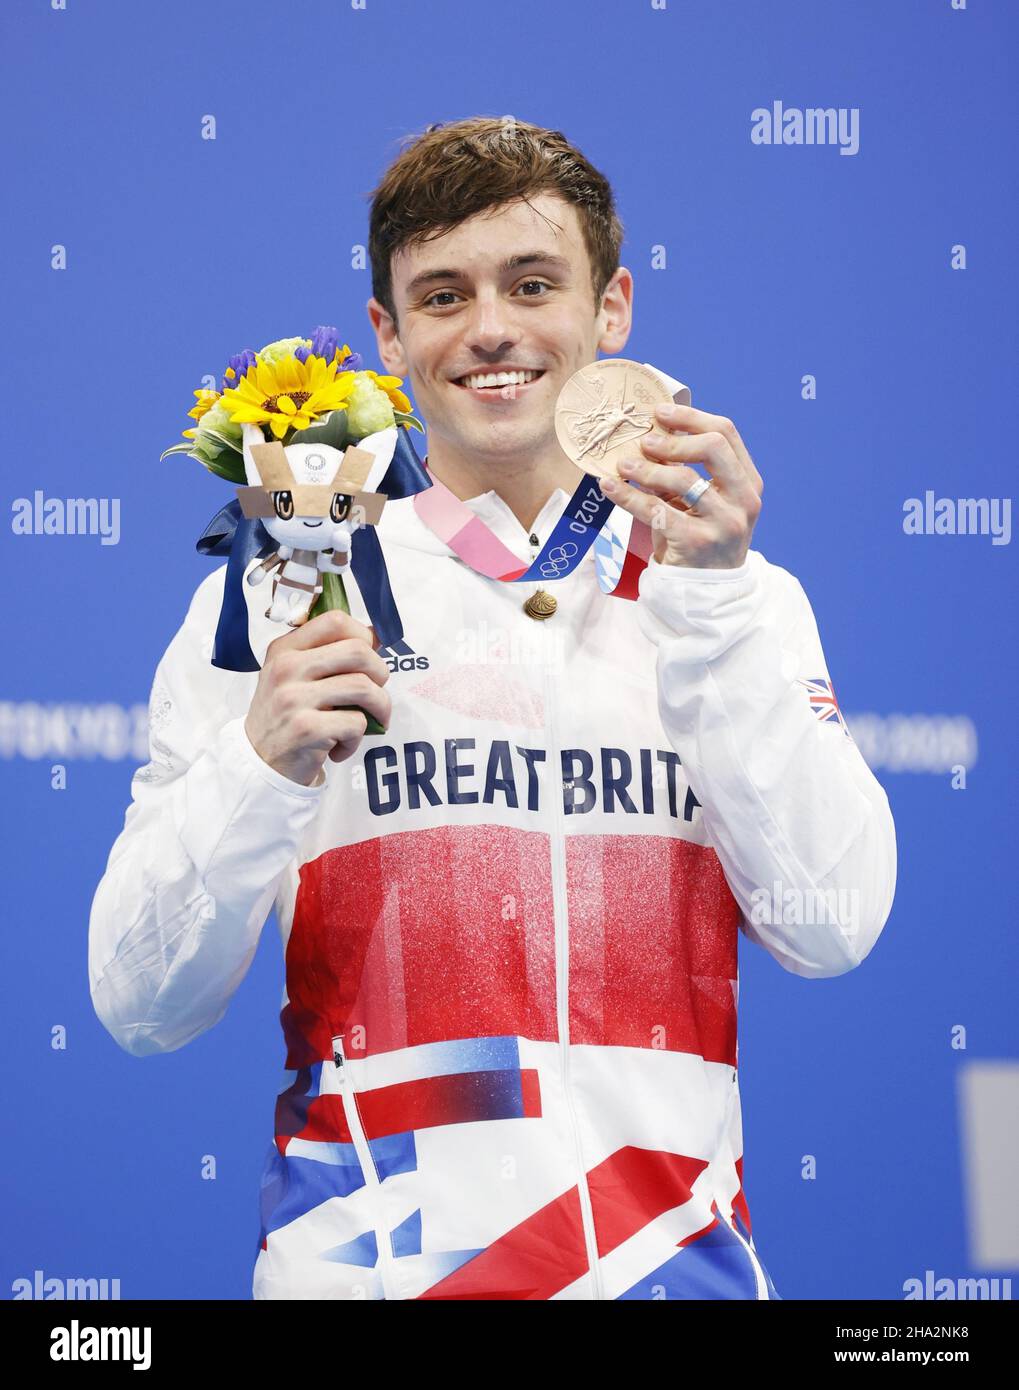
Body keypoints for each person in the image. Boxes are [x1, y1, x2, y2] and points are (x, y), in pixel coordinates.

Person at [88, 116, 897, 1301]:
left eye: (531, 284)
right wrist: (259, 765)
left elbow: (833, 930)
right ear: (387, 333)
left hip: (670, 1274)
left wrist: (713, 607)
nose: (490, 330)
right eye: (443, 294)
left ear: (611, 307)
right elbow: (137, 1000)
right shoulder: (279, 598)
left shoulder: (727, 591)